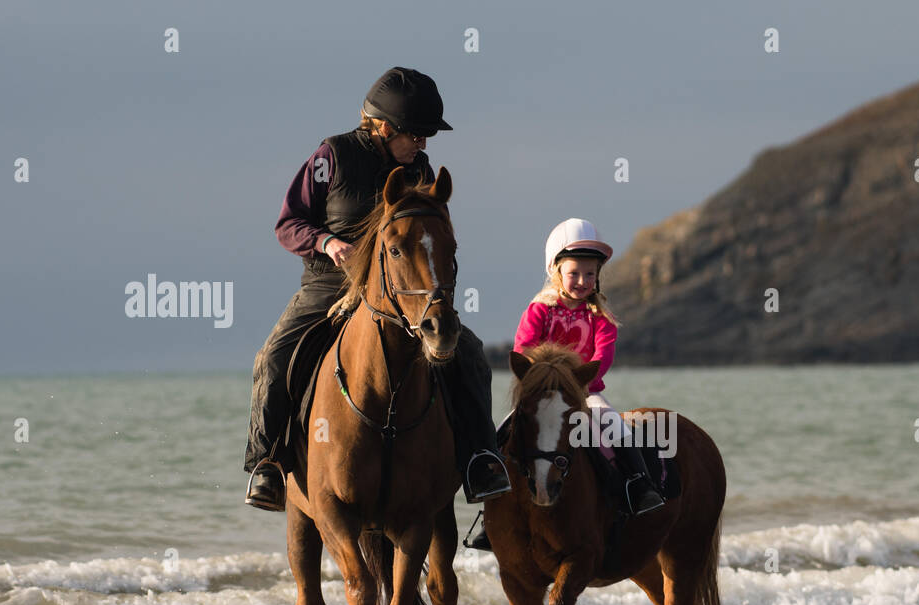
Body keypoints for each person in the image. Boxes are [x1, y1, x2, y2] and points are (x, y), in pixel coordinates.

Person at [244, 66, 510, 511]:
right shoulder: (332, 156)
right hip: (331, 284)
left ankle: (480, 459)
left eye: (427, 136)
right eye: (416, 134)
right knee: (274, 356)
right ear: (383, 126)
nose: (423, 144)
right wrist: (327, 242)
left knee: (469, 354)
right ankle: (267, 463)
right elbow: (288, 223)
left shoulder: (419, 169)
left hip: (404, 293)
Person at [466, 218, 664, 550]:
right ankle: (490, 508)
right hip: (543, 395)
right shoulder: (539, 310)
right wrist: (540, 381)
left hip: (586, 392)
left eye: (590, 274)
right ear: (556, 271)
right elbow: (524, 349)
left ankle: (639, 487)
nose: (583, 281)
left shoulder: (601, 318)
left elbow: (603, 357)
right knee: (504, 430)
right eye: (574, 273)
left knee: (616, 427)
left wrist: (584, 384)